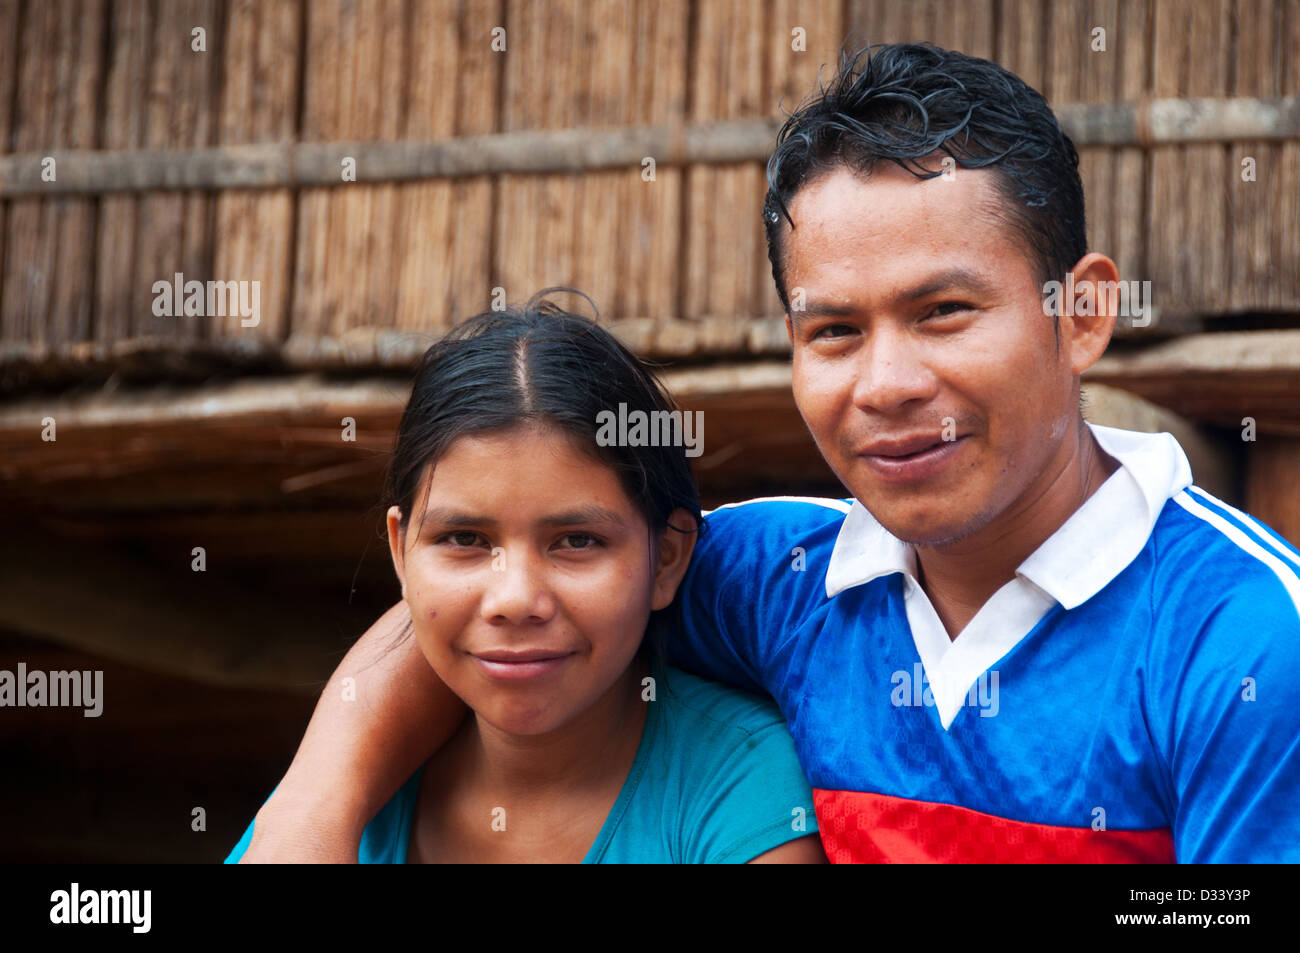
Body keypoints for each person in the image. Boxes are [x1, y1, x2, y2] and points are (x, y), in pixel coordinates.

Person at [241, 44, 1300, 863]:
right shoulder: (777, 580)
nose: (884, 383)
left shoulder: (1243, 638)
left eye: (942, 311)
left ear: (1079, 314)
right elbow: (506, 609)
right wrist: (315, 805)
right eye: (832, 330)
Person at [226, 296, 825, 863]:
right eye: (464, 540)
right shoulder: (323, 813)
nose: (515, 600)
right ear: (400, 553)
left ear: (666, 559)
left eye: (577, 541)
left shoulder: (742, 788)